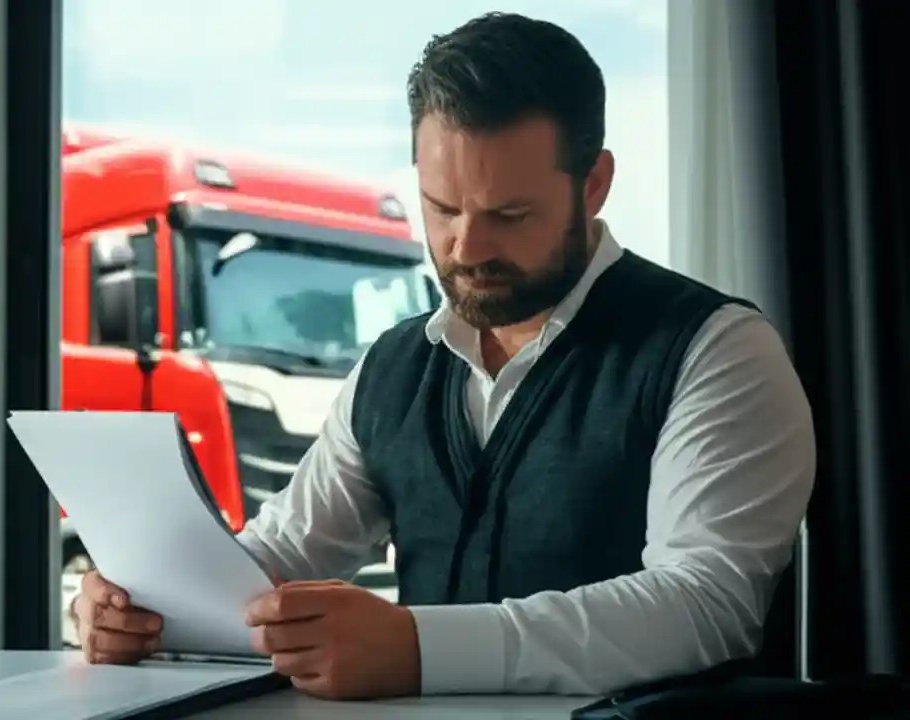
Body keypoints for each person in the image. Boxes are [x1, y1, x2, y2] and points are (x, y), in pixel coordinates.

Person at [69, 11, 815, 701]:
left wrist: (420, 646)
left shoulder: (717, 352)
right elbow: (286, 549)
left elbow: (706, 606)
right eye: (442, 207)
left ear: (594, 185)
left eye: (508, 215)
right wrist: (145, 604)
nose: (466, 248)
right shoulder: (391, 368)